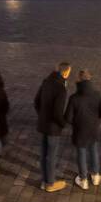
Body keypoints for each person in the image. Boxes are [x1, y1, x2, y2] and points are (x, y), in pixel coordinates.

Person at [64, 69, 101, 191]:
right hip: (93, 128)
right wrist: (95, 120)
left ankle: (83, 180)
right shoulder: (97, 94)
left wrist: (76, 123)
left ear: (79, 80)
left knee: (81, 153)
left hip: (80, 130)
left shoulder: (74, 98)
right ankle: (96, 175)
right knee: (93, 150)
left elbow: (68, 117)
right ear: (90, 79)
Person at [34, 62, 71, 192]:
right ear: (65, 72)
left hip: (43, 124)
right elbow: (57, 112)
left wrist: (42, 115)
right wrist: (63, 124)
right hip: (53, 127)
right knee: (51, 155)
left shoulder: (46, 82)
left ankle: (45, 180)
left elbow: (36, 101)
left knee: (44, 153)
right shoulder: (61, 88)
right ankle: (50, 183)